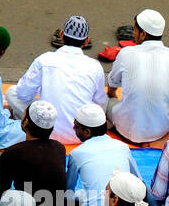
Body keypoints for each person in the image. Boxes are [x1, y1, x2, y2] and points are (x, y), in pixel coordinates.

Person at [6, 15, 105, 144]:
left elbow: (22, 94)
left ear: (62, 35)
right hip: (80, 134)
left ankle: (27, 121)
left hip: (44, 130)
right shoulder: (95, 66)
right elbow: (100, 103)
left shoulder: (45, 59)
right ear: (86, 41)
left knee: (12, 92)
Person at [104, 9, 169, 144]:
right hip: (161, 130)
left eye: (134, 30)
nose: (133, 34)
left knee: (104, 100)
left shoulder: (126, 53)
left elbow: (112, 85)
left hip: (127, 129)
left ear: (143, 34)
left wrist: (111, 95)